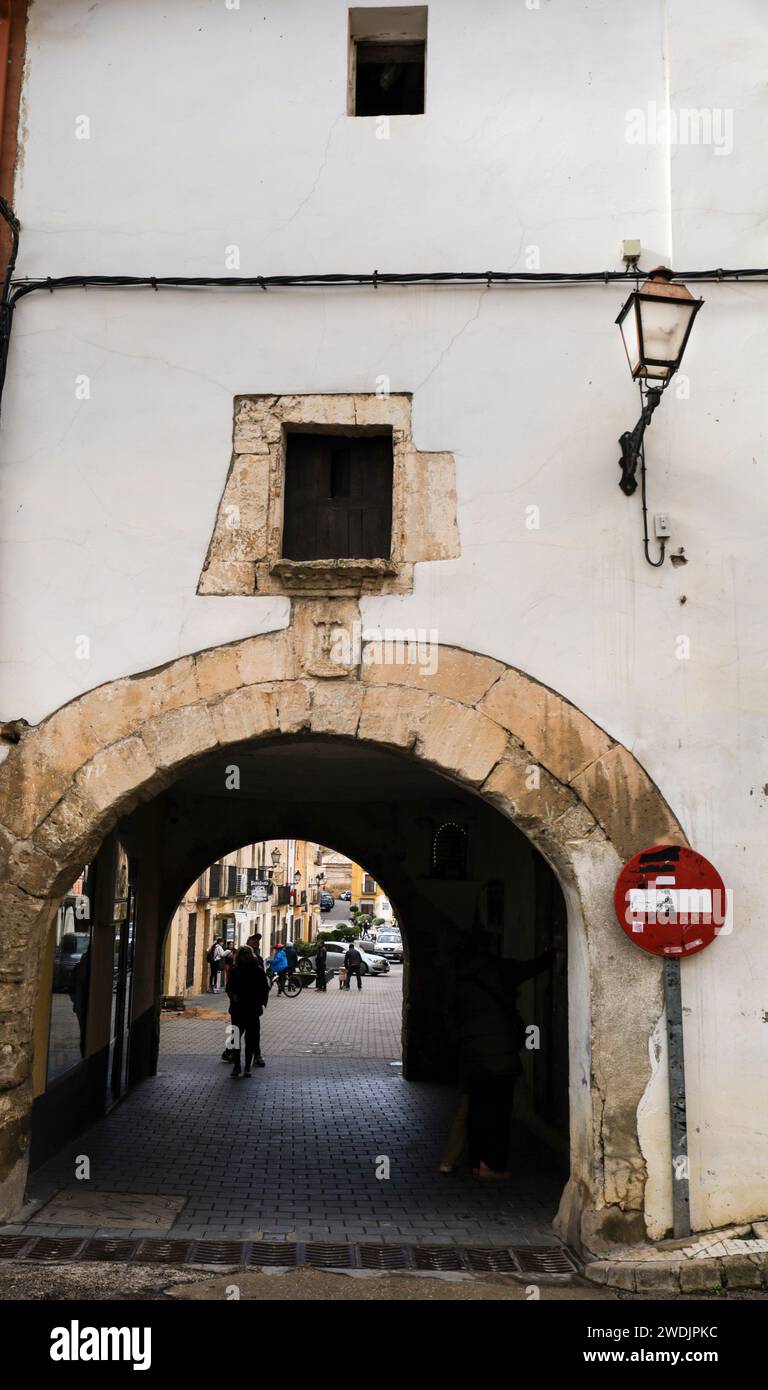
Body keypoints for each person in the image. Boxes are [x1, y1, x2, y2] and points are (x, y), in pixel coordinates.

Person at [454, 931, 557, 1179]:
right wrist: (554, 951)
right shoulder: (498, 970)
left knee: (477, 1111)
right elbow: (532, 967)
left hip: (471, 1053)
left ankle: (475, 1162)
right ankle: (492, 1165)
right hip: (499, 1055)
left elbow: (450, 1013)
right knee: (497, 1113)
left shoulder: (458, 974)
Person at [226, 944, 269, 1077]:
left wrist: (261, 1003)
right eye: (244, 955)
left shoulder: (257, 970)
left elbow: (264, 988)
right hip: (240, 1008)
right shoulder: (236, 970)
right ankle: (238, 1066)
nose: (246, 957)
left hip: (250, 1008)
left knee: (249, 1039)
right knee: (237, 1038)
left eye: (247, 955)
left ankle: (246, 1066)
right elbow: (229, 988)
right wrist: (233, 997)